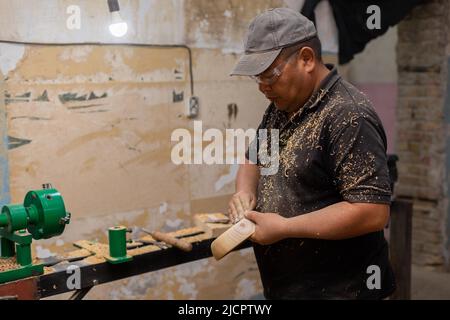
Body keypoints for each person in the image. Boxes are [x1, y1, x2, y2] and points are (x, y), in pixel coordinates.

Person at [228, 7, 396, 299]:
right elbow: (253, 158)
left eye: (270, 75)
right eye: (257, 78)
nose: (263, 88)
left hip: (343, 291)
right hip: (291, 287)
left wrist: (284, 228)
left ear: (306, 59)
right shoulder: (281, 107)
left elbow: (372, 213)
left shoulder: (347, 114)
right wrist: (243, 192)